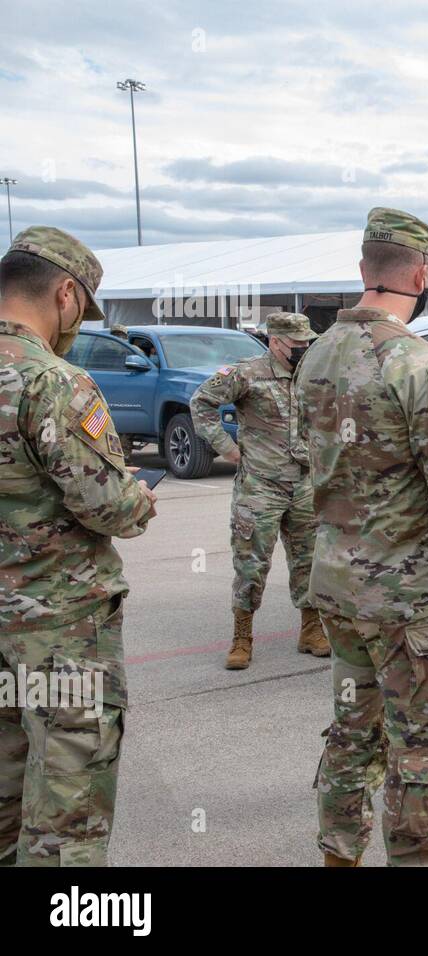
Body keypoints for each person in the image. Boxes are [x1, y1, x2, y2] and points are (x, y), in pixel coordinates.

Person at [295, 207, 428, 867]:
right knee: (425, 747)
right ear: (419, 273)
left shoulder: (316, 356)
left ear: (364, 268)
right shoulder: (422, 366)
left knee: (353, 734)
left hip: (340, 588)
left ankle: (339, 856)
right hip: (413, 602)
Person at [0, 226, 157, 865]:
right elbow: (107, 505)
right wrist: (138, 500)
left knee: (6, 787)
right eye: (80, 310)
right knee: (68, 802)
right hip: (57, 628)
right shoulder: (54, 382)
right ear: (65, 293)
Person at [190, 311, 327, 668]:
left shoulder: (312, 374)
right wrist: (227, 447)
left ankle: (311, 630)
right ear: (275, 341)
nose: (302, 349)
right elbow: (201, 403)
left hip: (304, 484)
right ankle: (242, 637)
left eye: (306, 343)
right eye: (296, 344)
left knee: (309, 561)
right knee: (251, 564)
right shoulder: (248, 373)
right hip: (260, 486)